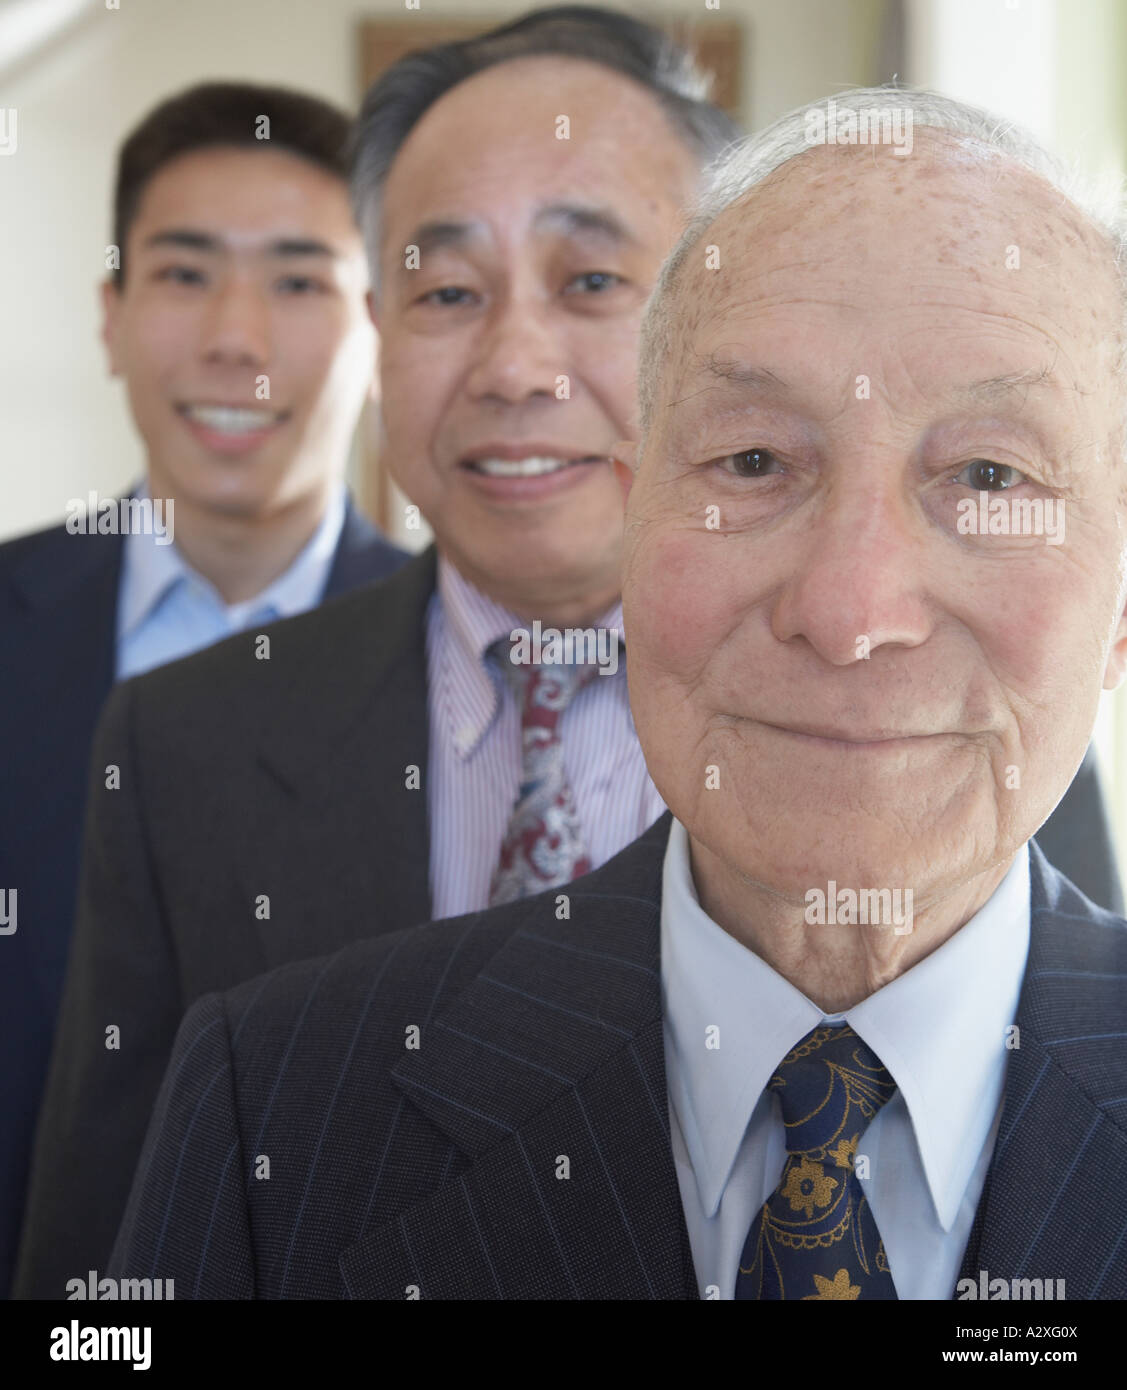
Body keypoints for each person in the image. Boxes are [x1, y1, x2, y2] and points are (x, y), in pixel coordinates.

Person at [108, 86, 1127, 1300]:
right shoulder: (273, 1102)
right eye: (751, 461)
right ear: (634, 516)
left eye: (987, 475)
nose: (850, 614)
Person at [13, 7, 740, 1299]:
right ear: (383, 334)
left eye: (588, 281)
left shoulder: (916, 696)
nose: (514, 363)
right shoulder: (180, 743)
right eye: (446, 292)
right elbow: (106, 1262)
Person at [0, 80, 407, 1296]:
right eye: (184, 274)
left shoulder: (473, 668)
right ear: (112, 315)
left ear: (381, 327)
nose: (238, 337)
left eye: (297, 280)